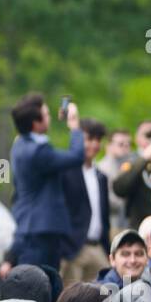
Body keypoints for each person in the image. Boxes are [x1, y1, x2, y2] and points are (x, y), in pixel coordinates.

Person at [7, 93, 84, 271]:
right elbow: (76, 156)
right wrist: (74, 126)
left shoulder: (20, 144)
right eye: (46, 114)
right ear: (35, 123)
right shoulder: (38, 152)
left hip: (31, 227)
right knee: (41, 285)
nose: (50, 117)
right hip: (40, 230)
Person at [59, 118, 111, 286]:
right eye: (89, 139)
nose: (94, 145)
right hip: (73, 248)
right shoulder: (65, 171)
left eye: (97, 140)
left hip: (97, 247)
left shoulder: (101, 176)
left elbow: (104, 216)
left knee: (104, 298)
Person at [98, 128, 132, 229]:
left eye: (128, 144)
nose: (125, 147)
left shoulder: (131, 165)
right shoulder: (101, 168)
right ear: (109, 146)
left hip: (128, 223)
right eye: (121, 144)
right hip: (111, 223)